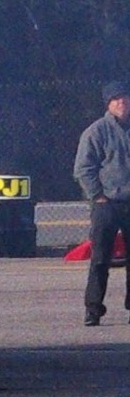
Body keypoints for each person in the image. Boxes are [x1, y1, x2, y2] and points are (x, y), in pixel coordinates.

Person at [72, 80, 130, 326]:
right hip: (106, 205)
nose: (122, 103)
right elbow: (83, 169)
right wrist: (97, 195)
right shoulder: (95, 132)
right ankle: (93, 309)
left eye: (125, 98)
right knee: (100, 259)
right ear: (108, 104)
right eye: (116, 99)